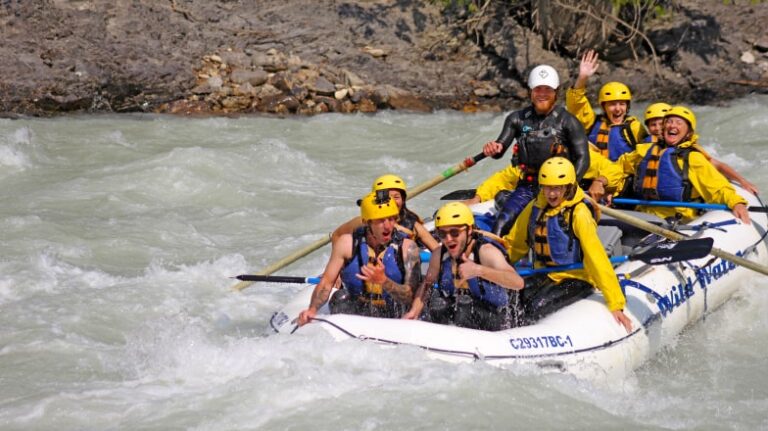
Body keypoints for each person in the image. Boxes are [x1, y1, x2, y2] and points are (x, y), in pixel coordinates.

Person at [504, 157, 633, 332]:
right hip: (545, 274)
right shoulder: (536, 207)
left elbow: (596, 257)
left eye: (557, 188)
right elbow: (515, 245)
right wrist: (494, 265)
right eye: (547, 187)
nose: (551, 194)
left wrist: (615, 302)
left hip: (576, 278)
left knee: (535, 307)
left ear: (569, 186)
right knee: (511, 298)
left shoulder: (578, 213)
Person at [482, 64, 590, 237]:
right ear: (531, 92)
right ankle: (495, 259)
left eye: (547, 89)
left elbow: (583, 158)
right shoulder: (516, 119)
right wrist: (494, 148)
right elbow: (499, 149)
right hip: (528, 186)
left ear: (555, 92)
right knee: (501, 223)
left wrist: (568, 187)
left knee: (552, 228)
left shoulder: (568, 121)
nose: (542, 94)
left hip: (560, 188)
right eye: (538, 89)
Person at [297, 192, 422, 326]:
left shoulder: (407, 248)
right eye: (380, 220)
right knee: (339, 298)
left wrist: (384, 281)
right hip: (359, 310)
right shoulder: (347, 244)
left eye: (391, 219)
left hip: (394, 313)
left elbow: (410, 298)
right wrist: (312, 309)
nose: (388, 226)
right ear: (366, 222)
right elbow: (326, 283)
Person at [617, 105, 751, 224]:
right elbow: (617, 167)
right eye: (669, 121)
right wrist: (602, 181)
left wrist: (736, 202)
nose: (673, 126)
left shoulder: (693, 158)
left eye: (679, 123)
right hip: (642, 215)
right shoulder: (644, 150)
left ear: (688, 132)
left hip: (677, 220)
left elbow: (718, 188)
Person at [405, 202, 524, 330]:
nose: (448, 239)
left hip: (497, 316)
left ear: (470, 230)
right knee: (437, 304)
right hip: (463, 310)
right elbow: (427, 285)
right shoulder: (439, 254)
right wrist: (414, 311)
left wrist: (479, 270)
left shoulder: (486, 252)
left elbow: (518, 282)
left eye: (455, 232)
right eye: (442, 234)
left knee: (464, 309)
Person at [642, 102, 758, 195]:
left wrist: (742, 181)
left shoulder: (690, 153)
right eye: (653, 125)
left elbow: (717, 166)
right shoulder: (643, 148)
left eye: (661, 123)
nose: (657, 128)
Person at [566, 49, 646, 161]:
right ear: (603, 106)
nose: (618, 109)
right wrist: (582, 78)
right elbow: (576, 103)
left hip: (622, 177)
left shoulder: (635, 127)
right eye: (612, 104)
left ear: (627, 106)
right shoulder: (591, 123)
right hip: (596, 177)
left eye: (622, 104)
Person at [331, 174, 439, 252]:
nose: (392, 202)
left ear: (403, 199)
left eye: (396, 197)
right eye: (388, 197)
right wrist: (339, 269)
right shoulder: (363, 221)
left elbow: (437, 250)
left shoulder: (412, 223)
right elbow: (336, 235)